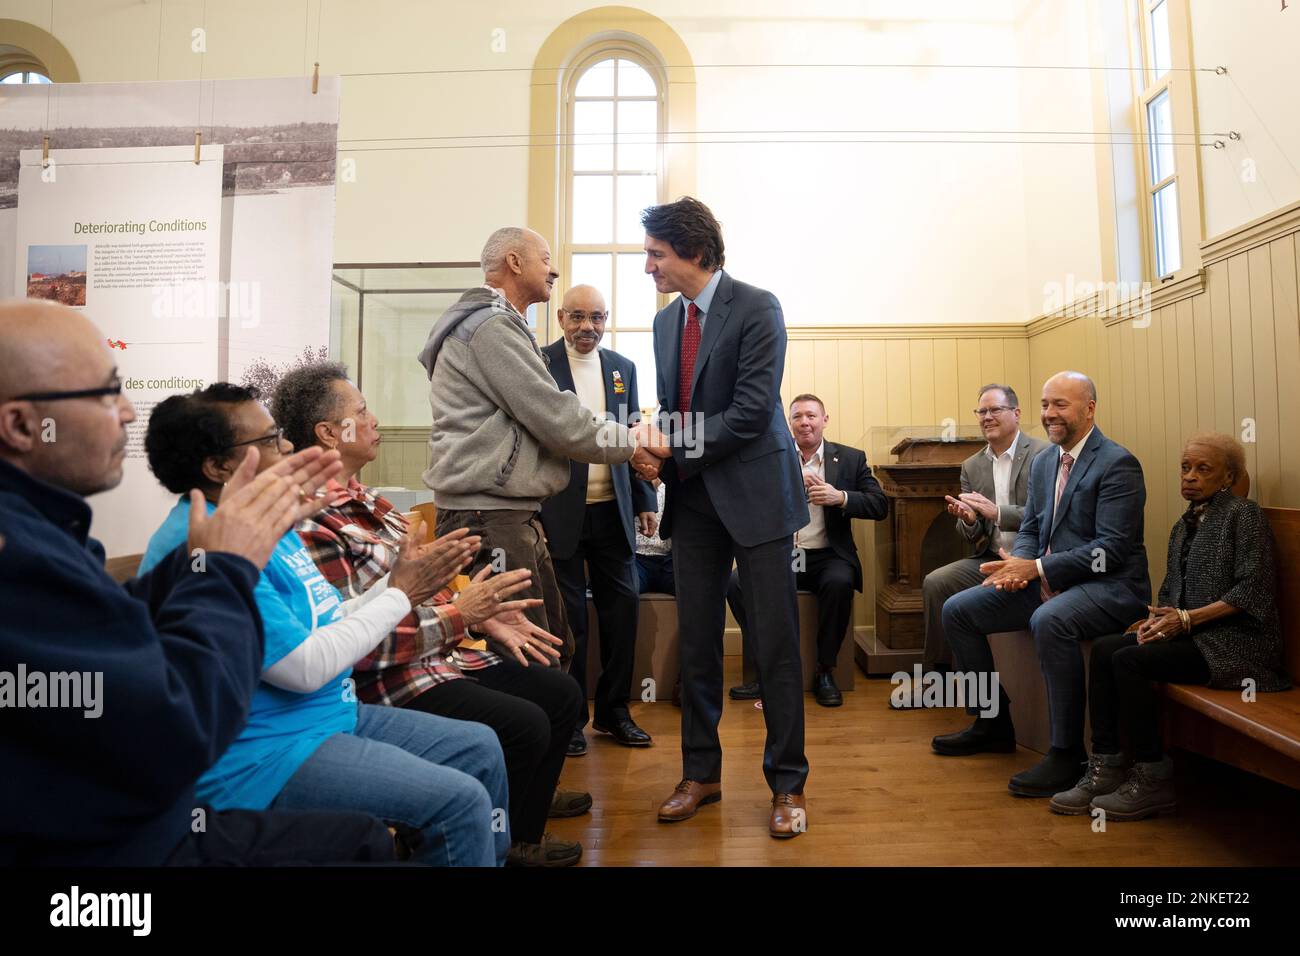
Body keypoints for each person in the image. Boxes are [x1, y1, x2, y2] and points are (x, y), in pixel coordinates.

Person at [0, 300, 397, 866]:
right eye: (105, 393)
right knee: (362, 845)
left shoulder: (42, 530)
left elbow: (117, 622)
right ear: (20, 425)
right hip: (111, 857)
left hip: (133, 821)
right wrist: (229, 568)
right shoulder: (21, 561)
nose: (128, 413)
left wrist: (206, 560)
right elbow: (177, 731)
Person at [140, 383, 512, 866]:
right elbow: (305, 666)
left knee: (479, 748)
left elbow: (330, 619)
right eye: (271, 440)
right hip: (266, 756)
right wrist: (400, 593)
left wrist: (400, 588)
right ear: (218, 467)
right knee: (458, 802)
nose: (289, 447)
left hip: (327, 718)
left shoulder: (259, 524)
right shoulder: (203, 543)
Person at [273, 362, 591, 867]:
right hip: (388, 678)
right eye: (363, 412)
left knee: (560, 692)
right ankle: (498, 836)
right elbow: (356, 636)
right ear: (330, 433)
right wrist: (462, 617)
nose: (375, 420)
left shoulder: (370, 502)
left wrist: (480, 615)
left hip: (432, 656)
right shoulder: (310, 522)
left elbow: (418, 586)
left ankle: (519, 820)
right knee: (525, 723)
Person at [416, 227, 668, 671]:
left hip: (511, 514)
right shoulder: (491, 326)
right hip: (490, 514)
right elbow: (556, 417)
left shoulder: (501, 325)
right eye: (545, 259)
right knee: (530, 658)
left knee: (554, 645)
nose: (553, 270)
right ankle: (524, 741)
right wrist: (633, 443)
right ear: (514, 262)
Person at [643, 197, 811, 838]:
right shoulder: (664, 324)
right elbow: (673, 403)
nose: (649, 267)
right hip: (692, 502)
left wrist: (668, 443)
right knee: (699, 646)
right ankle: (701, 775)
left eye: (656, 254)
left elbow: (747, 413)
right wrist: (652, 449)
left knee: (774, 649)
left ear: (694, 251)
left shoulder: (758, 306)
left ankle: (788, 784)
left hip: (758, 499)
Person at [932, 371, 1150, 799]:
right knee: (958, 609)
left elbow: (1113, 549)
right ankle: (991, 722)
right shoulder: (1047, 460)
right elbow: (1031, 525)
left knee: (1050, 620)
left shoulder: (1118, 463)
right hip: (1047, 577)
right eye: (1045, 405)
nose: (1049, 414)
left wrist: (1039, 569)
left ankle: (1067, 754)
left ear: (1089, 409)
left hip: (1110, 587)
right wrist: (1018, 562)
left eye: (1060, 405)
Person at [1050, 433, 1290, 820]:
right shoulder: (1184, 525)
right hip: (1196, 638)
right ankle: (1106, 765)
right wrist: (1150, 622)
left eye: (1202, 469)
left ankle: (1152, 777)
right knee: (1109, 647)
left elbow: (1252, 590)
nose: (1190, 477)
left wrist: (1185, 620)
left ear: (1228, 477)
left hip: (1238, 646)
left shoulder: (1243, 515)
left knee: (1131, 662)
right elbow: (1172, 595)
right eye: (1185, 468)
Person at [540, 284, 658, 754]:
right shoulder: (538, 363)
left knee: (623, 611)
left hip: (614, 512)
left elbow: (633, 437)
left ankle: (614, 713)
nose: (587, 327)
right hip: (559, 512)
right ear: (562, 319)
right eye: (578, 317)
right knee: (569, 623)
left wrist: (646, 498)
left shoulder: (622, 369)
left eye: (597, 318)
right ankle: (570, 720)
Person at [727, 394, 888, 707]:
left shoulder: (852, 458)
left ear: (824, 420)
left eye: (811, 416)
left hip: (826, 556)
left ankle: (824, 670)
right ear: (789, 423)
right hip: (781, 555)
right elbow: (749, 504)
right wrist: (785, 486)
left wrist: (840, 496)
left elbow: (879, 505)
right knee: (734, 584)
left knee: (840, 582)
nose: (804, 422)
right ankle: (766, 672)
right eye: (797, 417)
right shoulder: (772, 458)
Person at [916, 384, 1049, 679]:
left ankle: (988, 705)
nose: (987, 417)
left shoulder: (1044, 454)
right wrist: (970, 520)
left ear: (1016, 413)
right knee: (936, 582)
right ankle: (938, 677)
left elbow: (1048, 516)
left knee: (962, 608)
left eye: (995, 410)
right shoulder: (971, 466)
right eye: (982, 411)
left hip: (1036, 560)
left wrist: (998, 513)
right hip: (989, 557)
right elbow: (972, 536)